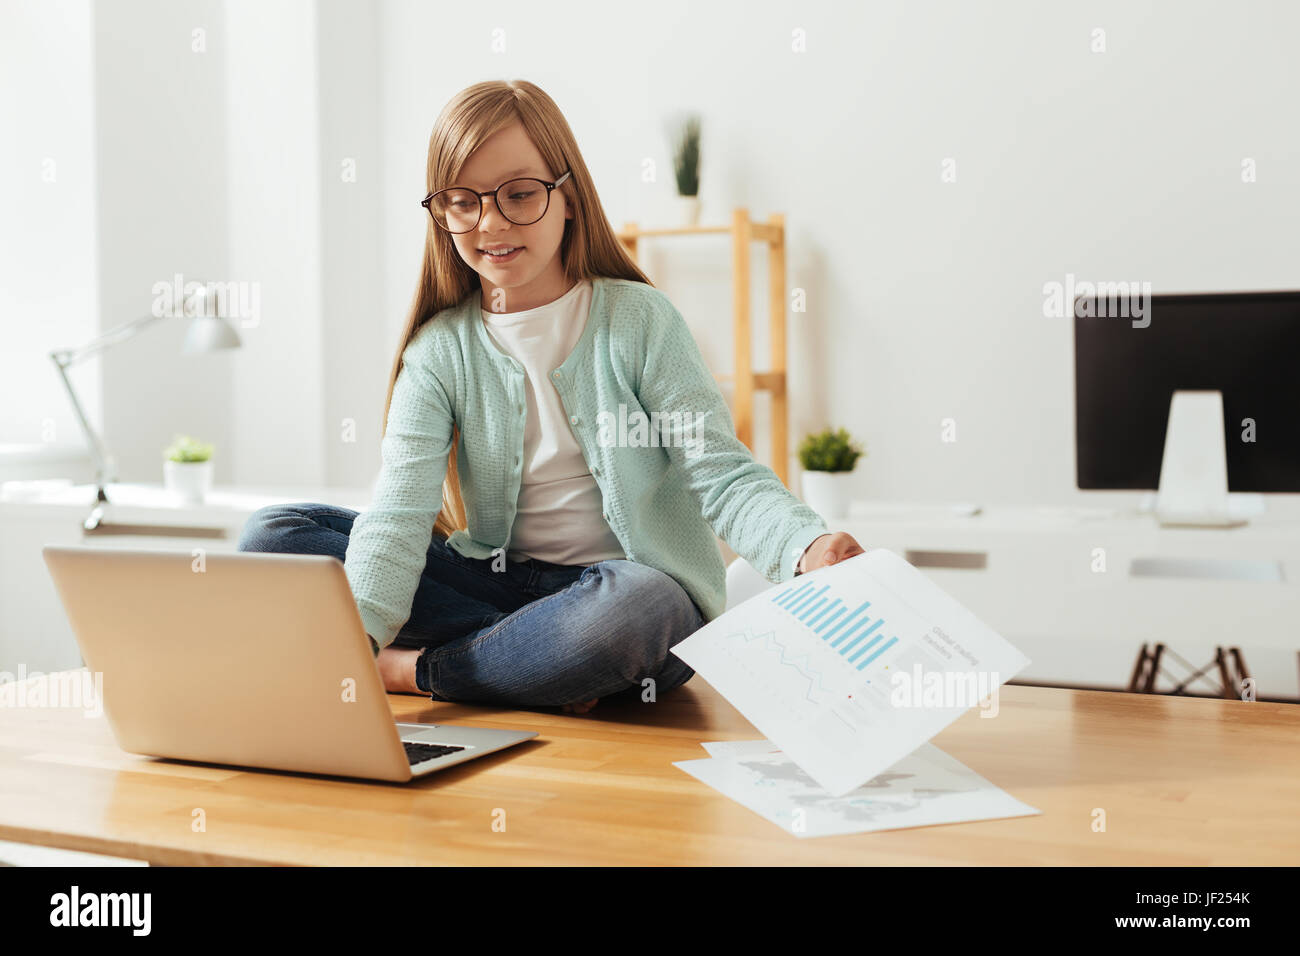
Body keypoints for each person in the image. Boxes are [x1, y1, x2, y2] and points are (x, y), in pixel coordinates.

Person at [238, 79, 864, 713]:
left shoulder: (640, 321)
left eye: (519, 195)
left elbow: (722, 476)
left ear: (569, 197)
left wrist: (804, 547)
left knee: (638, 607)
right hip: (488, 587)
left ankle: (425, 671)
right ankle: (537, 666)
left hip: (621, 593)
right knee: (276, 536)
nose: (491, 223)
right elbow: (399, 512)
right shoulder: (437, 349)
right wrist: (356, 639)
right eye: (463, 201)